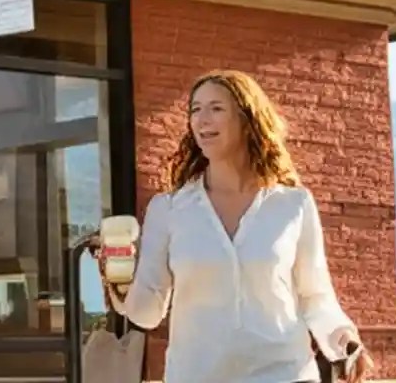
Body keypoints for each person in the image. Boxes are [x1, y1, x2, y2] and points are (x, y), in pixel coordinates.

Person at [98, 70, 375, 383]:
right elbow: (147, 313)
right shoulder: (169, 209)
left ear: (247, 120)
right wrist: (118, 285)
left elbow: (315, 295)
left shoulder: (292, 205)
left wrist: (345, 344)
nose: (202, 120)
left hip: (285, 374)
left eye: (216, 109)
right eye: (195, 110)